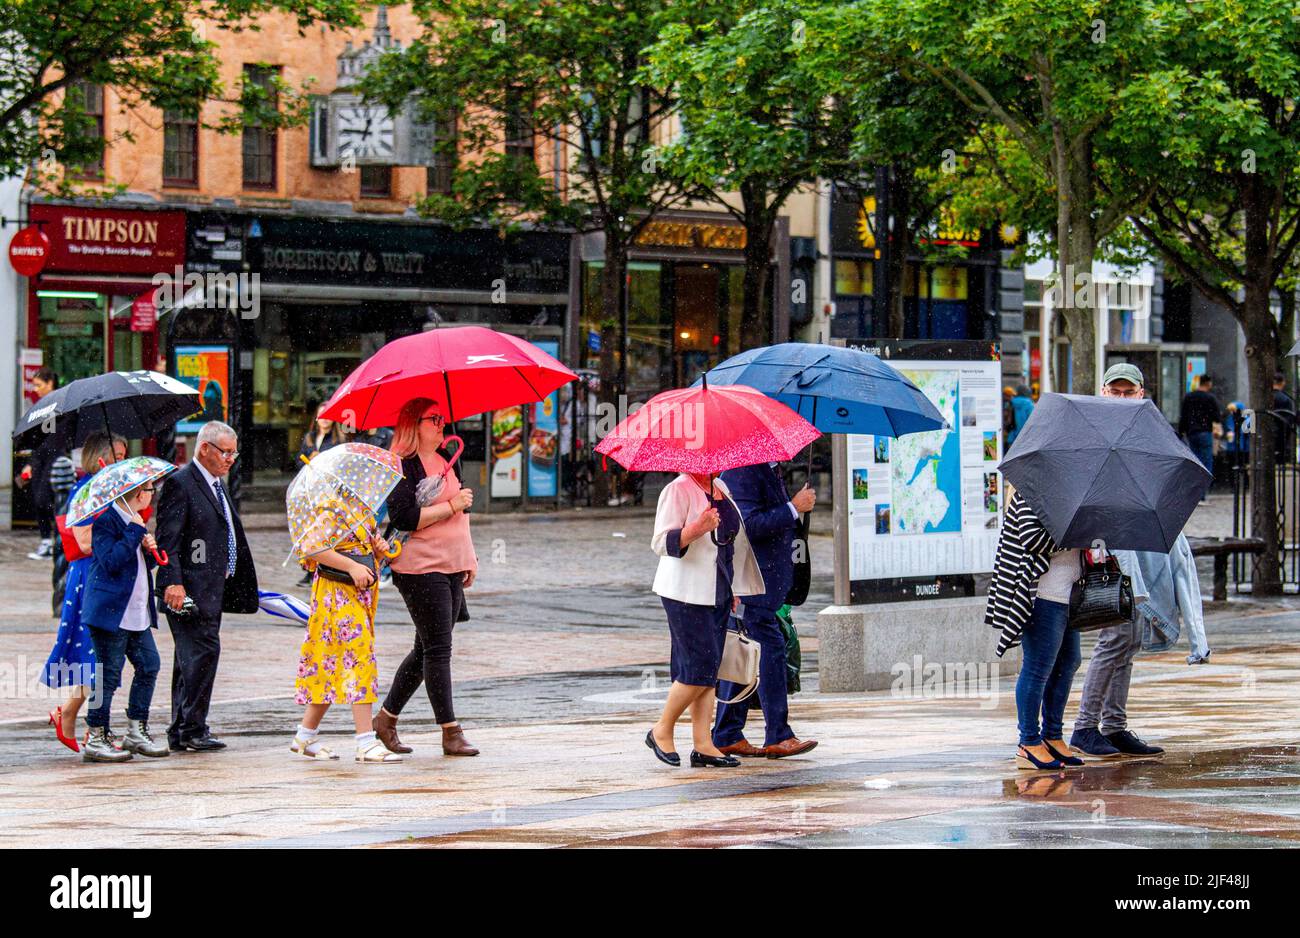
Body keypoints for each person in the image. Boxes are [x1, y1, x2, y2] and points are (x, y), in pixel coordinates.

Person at [372, 398, 479, 757]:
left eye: (442, 417)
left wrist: (470, 556)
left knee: (426, 648)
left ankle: (385, 720)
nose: (441, 423)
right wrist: (450, 505)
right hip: (418, 566)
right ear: (414, 424)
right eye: (433, 418)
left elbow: (462, 516)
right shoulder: (403, 466)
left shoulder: (450, 460)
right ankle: (450, 731)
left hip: (451, 562)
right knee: (438, 648)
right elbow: (403, 517)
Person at [1069, 364, 1165, 760]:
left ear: (1141, 394)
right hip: (1106, 548)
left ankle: (1114, 725)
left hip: (1136, 543)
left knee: (1129, 638)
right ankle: (1086, 726)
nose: (1122, 398)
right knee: (1114, 637)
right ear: (1103, 392)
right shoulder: (1089, 433)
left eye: (1130, 392)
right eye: (1115, 391)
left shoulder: (1149, 433)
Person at [647, 471, 765, 769]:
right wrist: (696, 528)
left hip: (718, 590)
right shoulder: (678, 489)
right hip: (685, 592)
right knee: (698, 666)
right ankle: (661, 729)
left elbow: (729, 543)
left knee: (710, 669)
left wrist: (734, 586)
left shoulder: (719, 486)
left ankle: (703, 744)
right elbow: (661, 543)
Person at [155, 421, 259, 753]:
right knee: (202, 653)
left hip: (212, 588)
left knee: (191, 658)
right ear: (205, 449)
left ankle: (184, 727)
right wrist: (173, 582)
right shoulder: (181, 484)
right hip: (188, 591)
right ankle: (191, 727)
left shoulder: (216, 484)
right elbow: (167, 540)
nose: (231, 459)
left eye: (234, 452)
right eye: (226, 452)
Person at [712, 462, 819, 759]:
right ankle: (778, 734)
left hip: (763, 583)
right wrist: (792, 508)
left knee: (745, 652)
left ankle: (726, 732)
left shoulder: (766, 467)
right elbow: (748, 524)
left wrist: (795, 510)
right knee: (768, 649)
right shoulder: (744, 468)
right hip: (753, 582)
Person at [986, 489, 1085, 771]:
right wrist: (1076, 533)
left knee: (1068, 662)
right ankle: (1028, 742)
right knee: (1038, 667)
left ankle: (1052, 735)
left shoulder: (1067, 493)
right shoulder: (1031, 493)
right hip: (1040, 595)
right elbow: (1033, 539)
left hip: (1069, 594)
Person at [41, 433, 127, 754]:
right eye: (117, 455)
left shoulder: (111, 491)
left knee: (101, 656)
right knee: (96, 655)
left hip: (105, 577)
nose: (123, 460)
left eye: (124, 454)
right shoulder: (88, 490)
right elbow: (86, 540)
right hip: (90, 577)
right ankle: (89, 724)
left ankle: (79, 717)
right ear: (100, 458)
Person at [290, 516, 397, 763]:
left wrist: (378, 553)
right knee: (359, 660)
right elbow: (312, 547)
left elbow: (363, 553)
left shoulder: (362, 510)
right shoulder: (331, 508)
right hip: (335, 596)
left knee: (330, 664)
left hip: (357, 594)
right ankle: (365, 741)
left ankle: (305, 735)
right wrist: (351, 566)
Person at [79, 475, 170, 762]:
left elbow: (140, 564)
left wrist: (149, 550)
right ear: (136, 493)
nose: (152, 494)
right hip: (111, 612)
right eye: (148, 489)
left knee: (149, 665)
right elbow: (111, 561)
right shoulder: (108, 521)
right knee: (108, 674)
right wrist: (133, 533)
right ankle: (97, 733)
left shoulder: (136, 522)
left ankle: (136, 729)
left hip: (137, 612)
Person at [21, 368, 62, 559]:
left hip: (53, 459)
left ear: (50, 384)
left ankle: (53, 541)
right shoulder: (41, 407)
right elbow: (39, 440)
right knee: (39, 499)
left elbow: (53, 439)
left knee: (45, 499)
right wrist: (31, 462)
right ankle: (47, 540)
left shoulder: (57, 406)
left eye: (39, 385)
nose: (36, 389)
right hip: (41, 458)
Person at [1178, 374, 1220, 483]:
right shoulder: (1210, 398)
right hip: (1205, 432)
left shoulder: (1189, 397)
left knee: (1195, 461)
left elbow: (1183, 416)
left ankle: (1194, 488)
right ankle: (1203, 490)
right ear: (1208, 383)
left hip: (1192, 432)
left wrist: (1181, 431)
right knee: (1206, 462)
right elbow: (1217, 417)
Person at [1272, 371, 1296, 465]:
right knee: (1280, 460)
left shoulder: (1265, 397)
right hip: (1280, 433)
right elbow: (1289, 419)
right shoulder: (1286, 399)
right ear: (1283, 382)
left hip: (1265, 433)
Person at [1005, 385, 1035, 449]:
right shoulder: (1030, 405)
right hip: (1025, 439)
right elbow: (1034, 422)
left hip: (1012, 438)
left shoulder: (1010, 403)